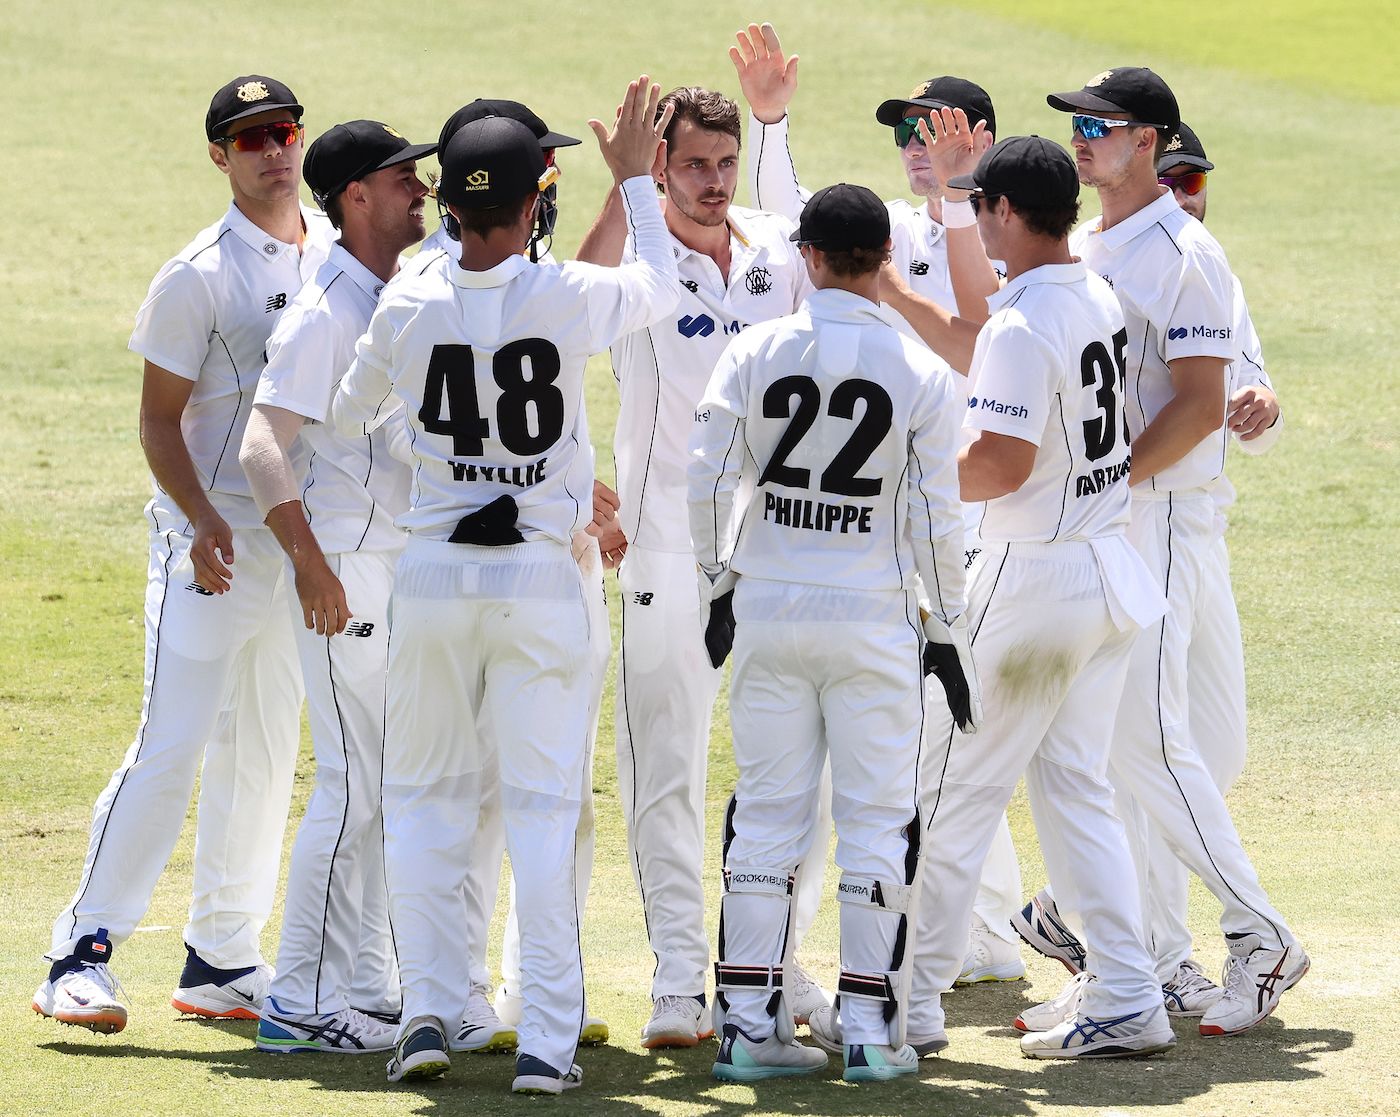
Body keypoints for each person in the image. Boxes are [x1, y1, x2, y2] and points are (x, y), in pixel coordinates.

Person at [332, 79, 679, 1093]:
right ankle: (545, 1044)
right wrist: (635, 180)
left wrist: (432, 441)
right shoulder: (563, 295)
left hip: (434, 576)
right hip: (538, 575)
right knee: (542, 807)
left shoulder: (406, 299)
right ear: (533, 204)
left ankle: (427, 1014)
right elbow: (658, 284)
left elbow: (351, 413)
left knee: (423, 801)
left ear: (445, 202)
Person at [33, 75, 334, 1035]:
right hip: (210, 544)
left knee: (265, 749)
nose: (272, 150)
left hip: (294, 541)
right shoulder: (197, 273)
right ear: (219, 156)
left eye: (283, 131)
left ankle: (222, 959)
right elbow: (159, 422)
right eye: (249, 139)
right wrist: (201, 517)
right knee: (172, 742)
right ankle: (78, 954)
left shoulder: (333, 247)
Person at [732, 22, 1026, 986]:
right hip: (885, 523)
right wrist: (770, 125)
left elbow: (980, 340)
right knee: (918, 742)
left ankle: (979, 930)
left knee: (949, 739)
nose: (916, 144)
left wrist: (956, 207)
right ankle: (959, 934)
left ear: (982, 139)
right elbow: (798, 220)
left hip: (972, 516)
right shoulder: (890, 231)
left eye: (935, 129)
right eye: (906, 130)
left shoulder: (1007, 237)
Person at [1042, 66, 1307, 1037]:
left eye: (1100, 125)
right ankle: (1146, 957)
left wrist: (1106, 487)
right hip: (1118, 522)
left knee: (1157, 746)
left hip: (1157, 517)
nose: (1082, 139)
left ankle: (1255, 936)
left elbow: (1201, 404)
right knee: (1132, 749)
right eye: (1075, 126)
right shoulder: (1080, 245)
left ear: (1147, 139)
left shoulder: (1186, 253)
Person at [690, 182, 973, 1081]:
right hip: (871, 618)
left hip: (770, 608)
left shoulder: (753, 351)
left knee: (766, 818)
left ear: (806, 255)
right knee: (879, 820)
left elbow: (707, 478)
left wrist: (718, 580)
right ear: (885, 258)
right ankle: (869, 1032)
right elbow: (936, 517)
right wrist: (948, 626)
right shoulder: (920, 372)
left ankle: (745, 1027)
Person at [913, 135, 1181, 1059]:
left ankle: (902, 1002)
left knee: (948, 787)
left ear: (1005, 211)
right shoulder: (1091, 293)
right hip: (1104, 576)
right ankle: (1128, 992)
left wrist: (904, 479)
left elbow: (999, 465)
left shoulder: (1021, 324)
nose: (978, 220)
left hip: (1035, 581)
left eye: (979, 204)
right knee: (1075, 791)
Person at [576, 83, 828, 1048]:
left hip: (775, 548)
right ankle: (679, 980)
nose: (715, 182)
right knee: (665, 769)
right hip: (664, 548)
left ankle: (772, 965)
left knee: (793, 771)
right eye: (693, 165)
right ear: (662, 167)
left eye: (725, 163)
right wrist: (624, 186)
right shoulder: (637, 259)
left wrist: (771, 124)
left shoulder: (775, 251)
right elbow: (563, 313)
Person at [411, 95, 609, 1053]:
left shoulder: (428, 288)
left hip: (465, 571)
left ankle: (477, 1000)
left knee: (469, 799)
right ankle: (507, 1017)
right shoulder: (524, 288)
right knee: (517, 801)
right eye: (547, 176)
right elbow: (639, 282)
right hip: (526, 571)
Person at [236, 119, 437, 1054]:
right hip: (344, 574)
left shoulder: (386, 290)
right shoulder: (326, 310)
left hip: (381, 567)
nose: (421, 190)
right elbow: (261, 443)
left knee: (383, 784)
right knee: (353, 786)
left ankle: (362, 983)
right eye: (403, 179)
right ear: (357, 197)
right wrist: (310, 563)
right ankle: (297, 998)